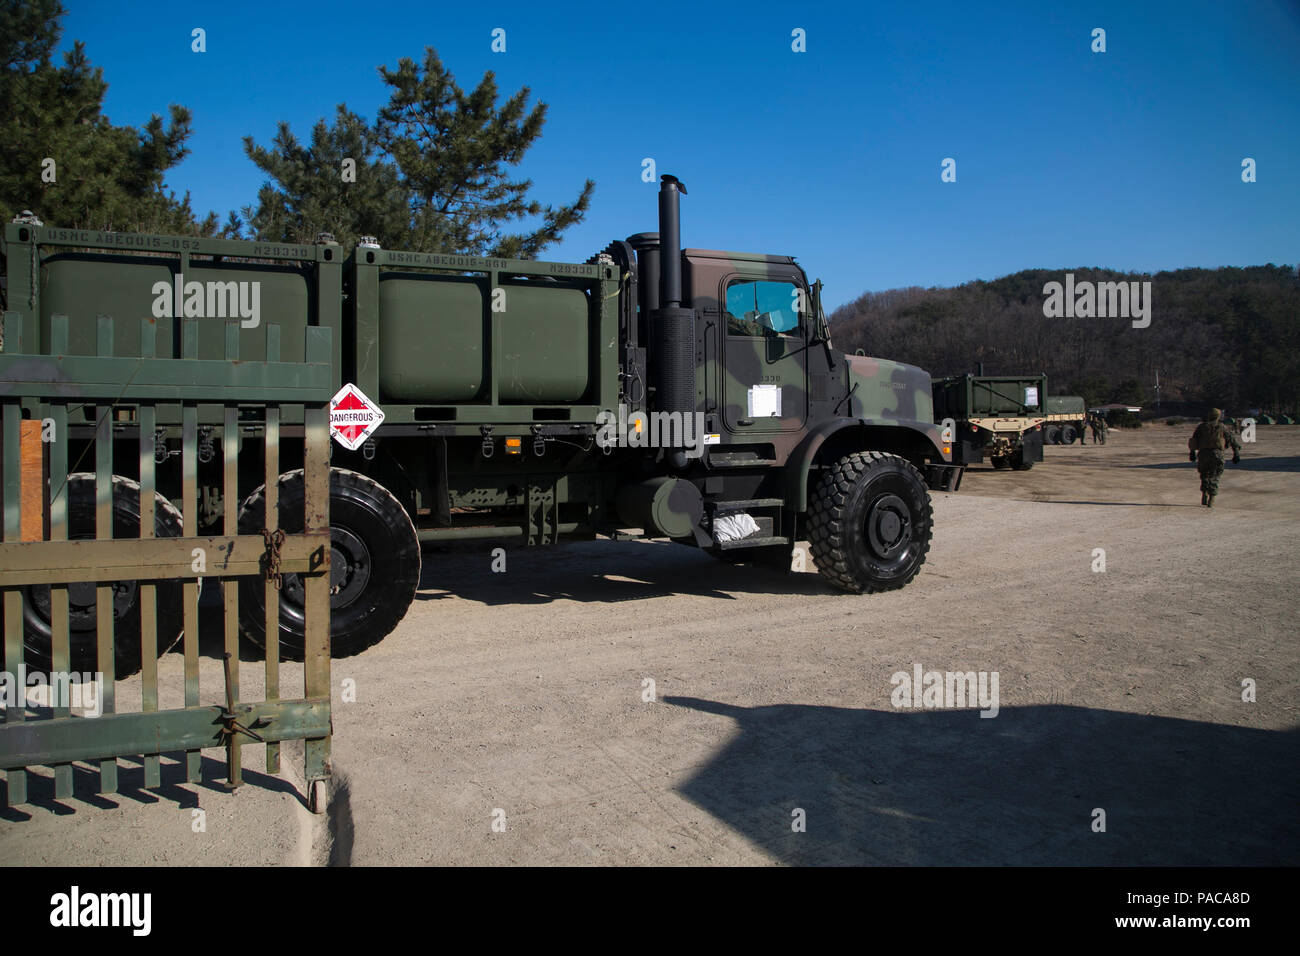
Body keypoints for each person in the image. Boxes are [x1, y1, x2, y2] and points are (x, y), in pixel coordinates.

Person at [1188, 408, 1242, 507]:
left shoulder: (1201, 427)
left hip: (1203, 454)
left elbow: (1193, 440)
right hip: (1217, 454)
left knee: (1204, 475)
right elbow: (1232, 440)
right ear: (1218, 416)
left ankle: (1204, 492)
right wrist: (1236, 453)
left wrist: (1192, 453)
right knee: (1215, 475)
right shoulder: (1222, 427)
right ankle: (1211, 498)